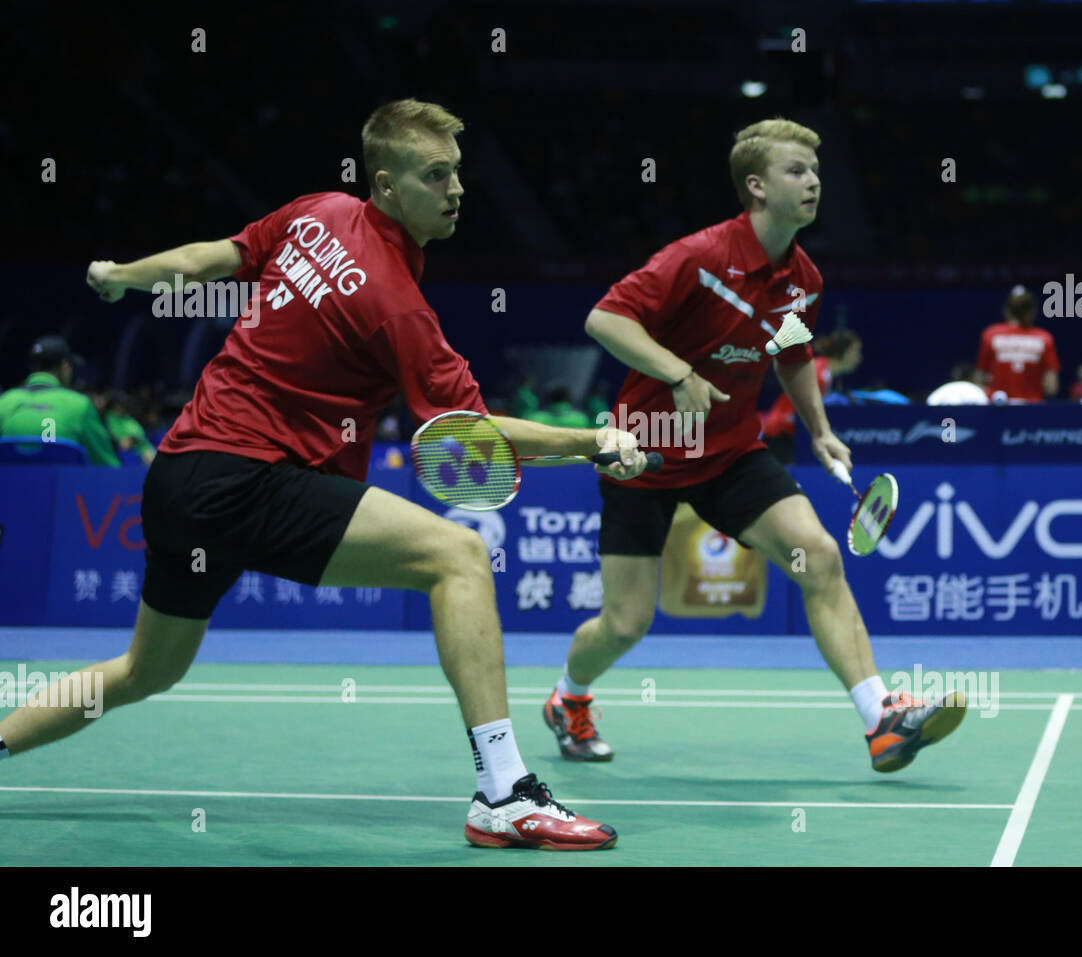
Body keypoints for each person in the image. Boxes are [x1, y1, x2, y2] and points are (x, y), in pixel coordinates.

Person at [1, 99, 649, 852]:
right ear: (386, 184)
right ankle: (503, 792)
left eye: (456, 173)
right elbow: (472, 433)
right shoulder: (397, 306)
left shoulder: (317, 212)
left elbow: (204, 260)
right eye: (435, 175)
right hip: (247, 476)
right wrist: (594, 441)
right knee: (459, 556)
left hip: (178, 474)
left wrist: (119, 275)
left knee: (147, 670)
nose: (456, 190)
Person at [541, 118, 966, 773]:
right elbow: (605, 319)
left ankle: (881, 718)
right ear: (757, 186)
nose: (813, 181)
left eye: (816, 171)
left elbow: (791, 356)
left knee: (819, 556)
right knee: (625, 624)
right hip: (646, 452)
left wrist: (820, 431)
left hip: (731, 454)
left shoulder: (804, 280)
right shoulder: (698, 257)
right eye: (797, 170)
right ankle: (568, 697)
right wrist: (679, 374)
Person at [0, 335, 121, 465]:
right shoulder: (80, 405)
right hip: (62, 479)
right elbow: (106, 464)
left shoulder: (4, 402)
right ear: (65, 366)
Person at [760, 327, 862, 462]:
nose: (859, 358)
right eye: (856, 352)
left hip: (786, 433)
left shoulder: (824, 371)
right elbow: (800, 409)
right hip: (779, 434)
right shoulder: (819, 373)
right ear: (845, 352)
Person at [974, 285, 1060, 403]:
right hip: (1032, 409)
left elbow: (979, 381)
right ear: (1032, 311)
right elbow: (1051, 387)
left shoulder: (991, 335)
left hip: (998, 409)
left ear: (1006, 310)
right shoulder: (1044, 339)